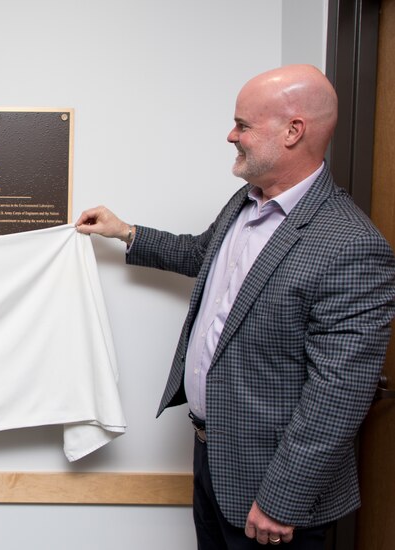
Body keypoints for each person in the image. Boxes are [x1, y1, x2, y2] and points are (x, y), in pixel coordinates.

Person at [76, 65, 395, 549]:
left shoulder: (351, 246)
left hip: (272, 493)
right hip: (212, 461)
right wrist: (126, 232)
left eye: (243, 125)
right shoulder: (246, 203)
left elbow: (339, 394)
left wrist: (281, 500)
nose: (231, 135)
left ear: (294, 131)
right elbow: (205, 256)